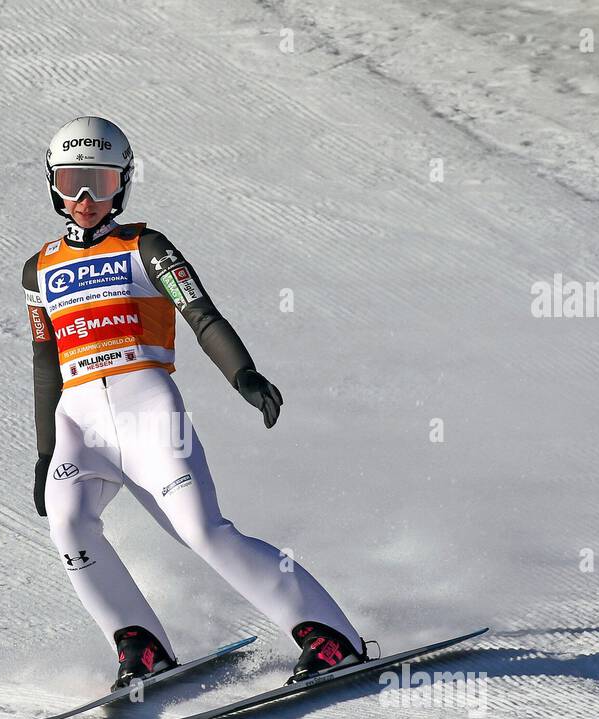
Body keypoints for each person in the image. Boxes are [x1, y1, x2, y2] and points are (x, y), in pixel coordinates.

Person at [23, 116, 366, 689]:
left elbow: (199, 313)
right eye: (72, 181)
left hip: (146, 408)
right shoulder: (38, 269)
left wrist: (244, 375)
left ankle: (330, 637)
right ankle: (140, 646)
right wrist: (43, 453)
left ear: (123, 185)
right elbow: (43, 361)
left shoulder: (146, 247)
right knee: (69, 525)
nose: (85, 198)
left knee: (203, 531)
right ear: (51, 183)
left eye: (101, 183)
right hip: (76, 421)